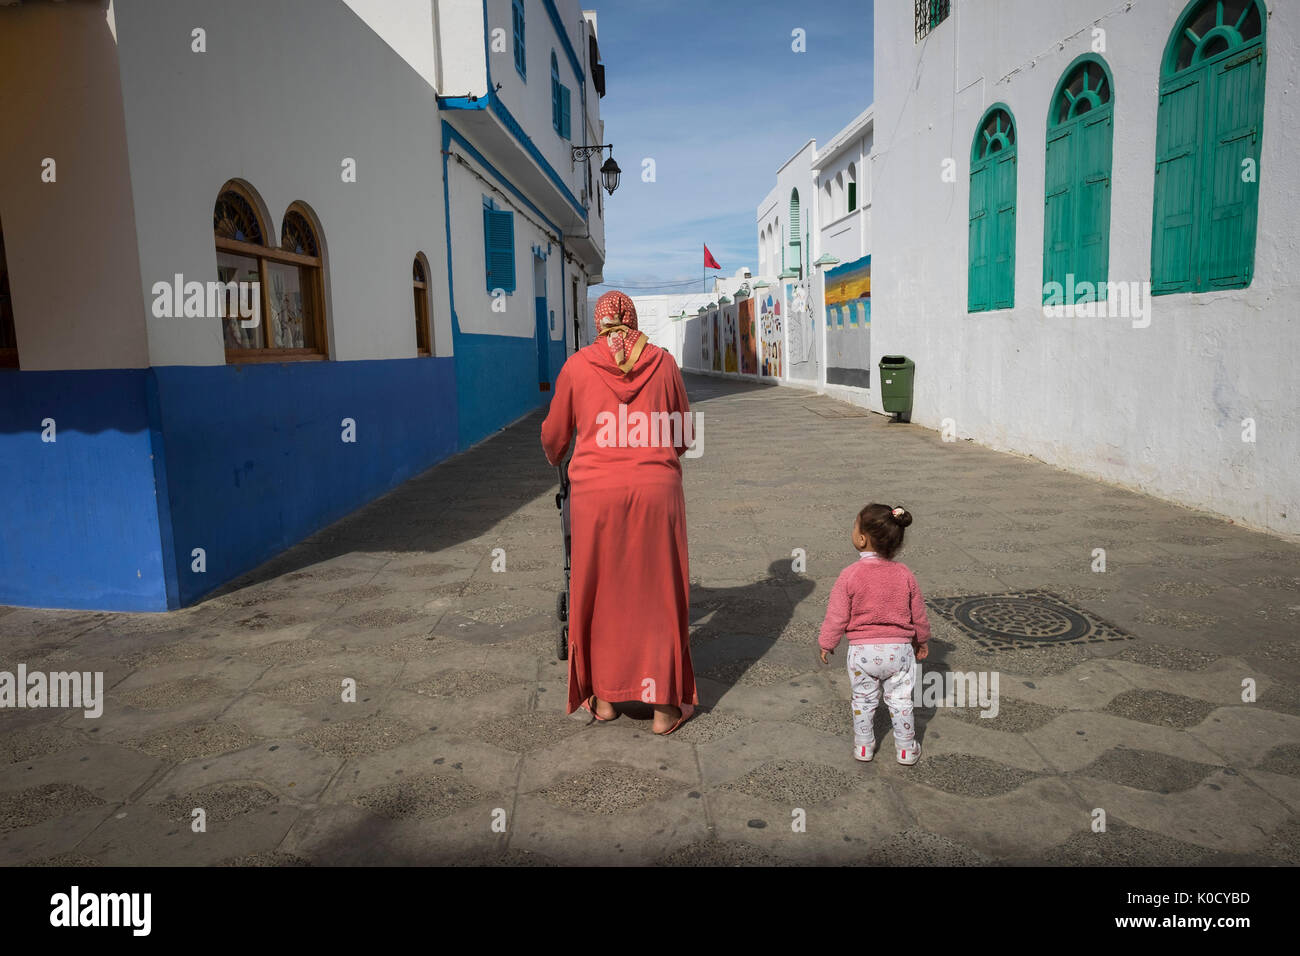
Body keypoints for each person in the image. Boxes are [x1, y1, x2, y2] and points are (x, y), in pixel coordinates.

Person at [541, 290, 697, 735]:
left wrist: (561, 450)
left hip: (596, 496)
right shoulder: (663, 362)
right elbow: (683, 435)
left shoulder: (577, 365)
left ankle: (606, 699)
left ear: (599, 323)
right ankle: (665, 709)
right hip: (655, 490)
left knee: (601, 590)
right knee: (660, 593)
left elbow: (554, 438)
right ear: (631, 318)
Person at [818, 504, 930, 764]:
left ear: (861, 538)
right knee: (901, 700)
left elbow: (837, 616)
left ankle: (864, 747)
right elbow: (919, 614)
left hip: (862, 652)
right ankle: (905, 749)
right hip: (899, 651)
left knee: (863, 700)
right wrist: (921, 639)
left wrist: (827, 643)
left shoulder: (850, 575)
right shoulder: (904, 574)